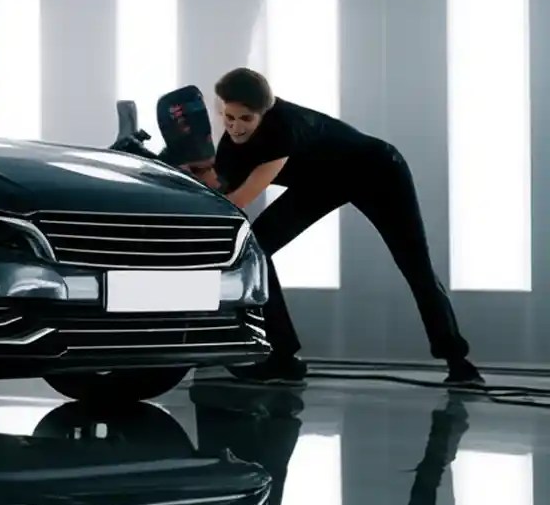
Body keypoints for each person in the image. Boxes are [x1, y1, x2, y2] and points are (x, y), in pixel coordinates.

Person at [177, 68, 482, 386]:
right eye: (229, 117)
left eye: (246, 119)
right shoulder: (231, 145)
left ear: (264, 113)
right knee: (255, 250)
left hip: (378, 171)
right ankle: (283, 359)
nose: (236, 127)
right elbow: (218, 193)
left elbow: (238, 200)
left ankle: (459, 363)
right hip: (321, 182)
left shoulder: (283, 128)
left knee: (415, 264)